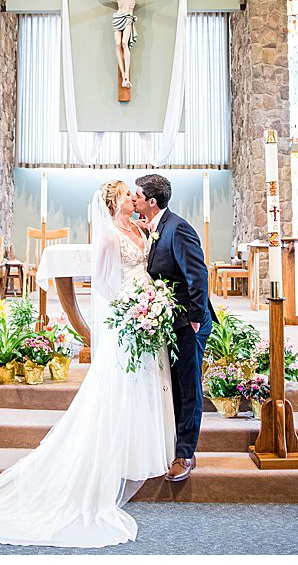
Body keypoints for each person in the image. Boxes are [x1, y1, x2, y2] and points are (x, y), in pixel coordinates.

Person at [0, 181, 175, 547]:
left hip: (146, 314)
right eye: (128, 194)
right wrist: (129, 311)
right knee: (120, 386)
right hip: (126, 318)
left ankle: (142, 451)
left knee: (144, 382)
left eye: (135, 194)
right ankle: (114, 457)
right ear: (115, 202)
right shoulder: (110, 236)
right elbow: (102, 286)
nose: (134, 198)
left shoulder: (142, 228)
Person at [132, 173, 213, 482]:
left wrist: (194, 318)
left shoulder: (178, 229)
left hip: (189, 322)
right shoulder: (158, 226)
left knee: (188, 386)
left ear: (152, 202)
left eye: (138, 195)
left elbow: (198, 274)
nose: (135, 199)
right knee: (175, 386)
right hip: (171, 319)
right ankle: (174, 443)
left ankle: (185, 454)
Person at [77, 0, 176, 88]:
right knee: (118, 44)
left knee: (125, 43)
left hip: (128, 17)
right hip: (117, 17)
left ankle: (126, 76)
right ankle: (123, 74)